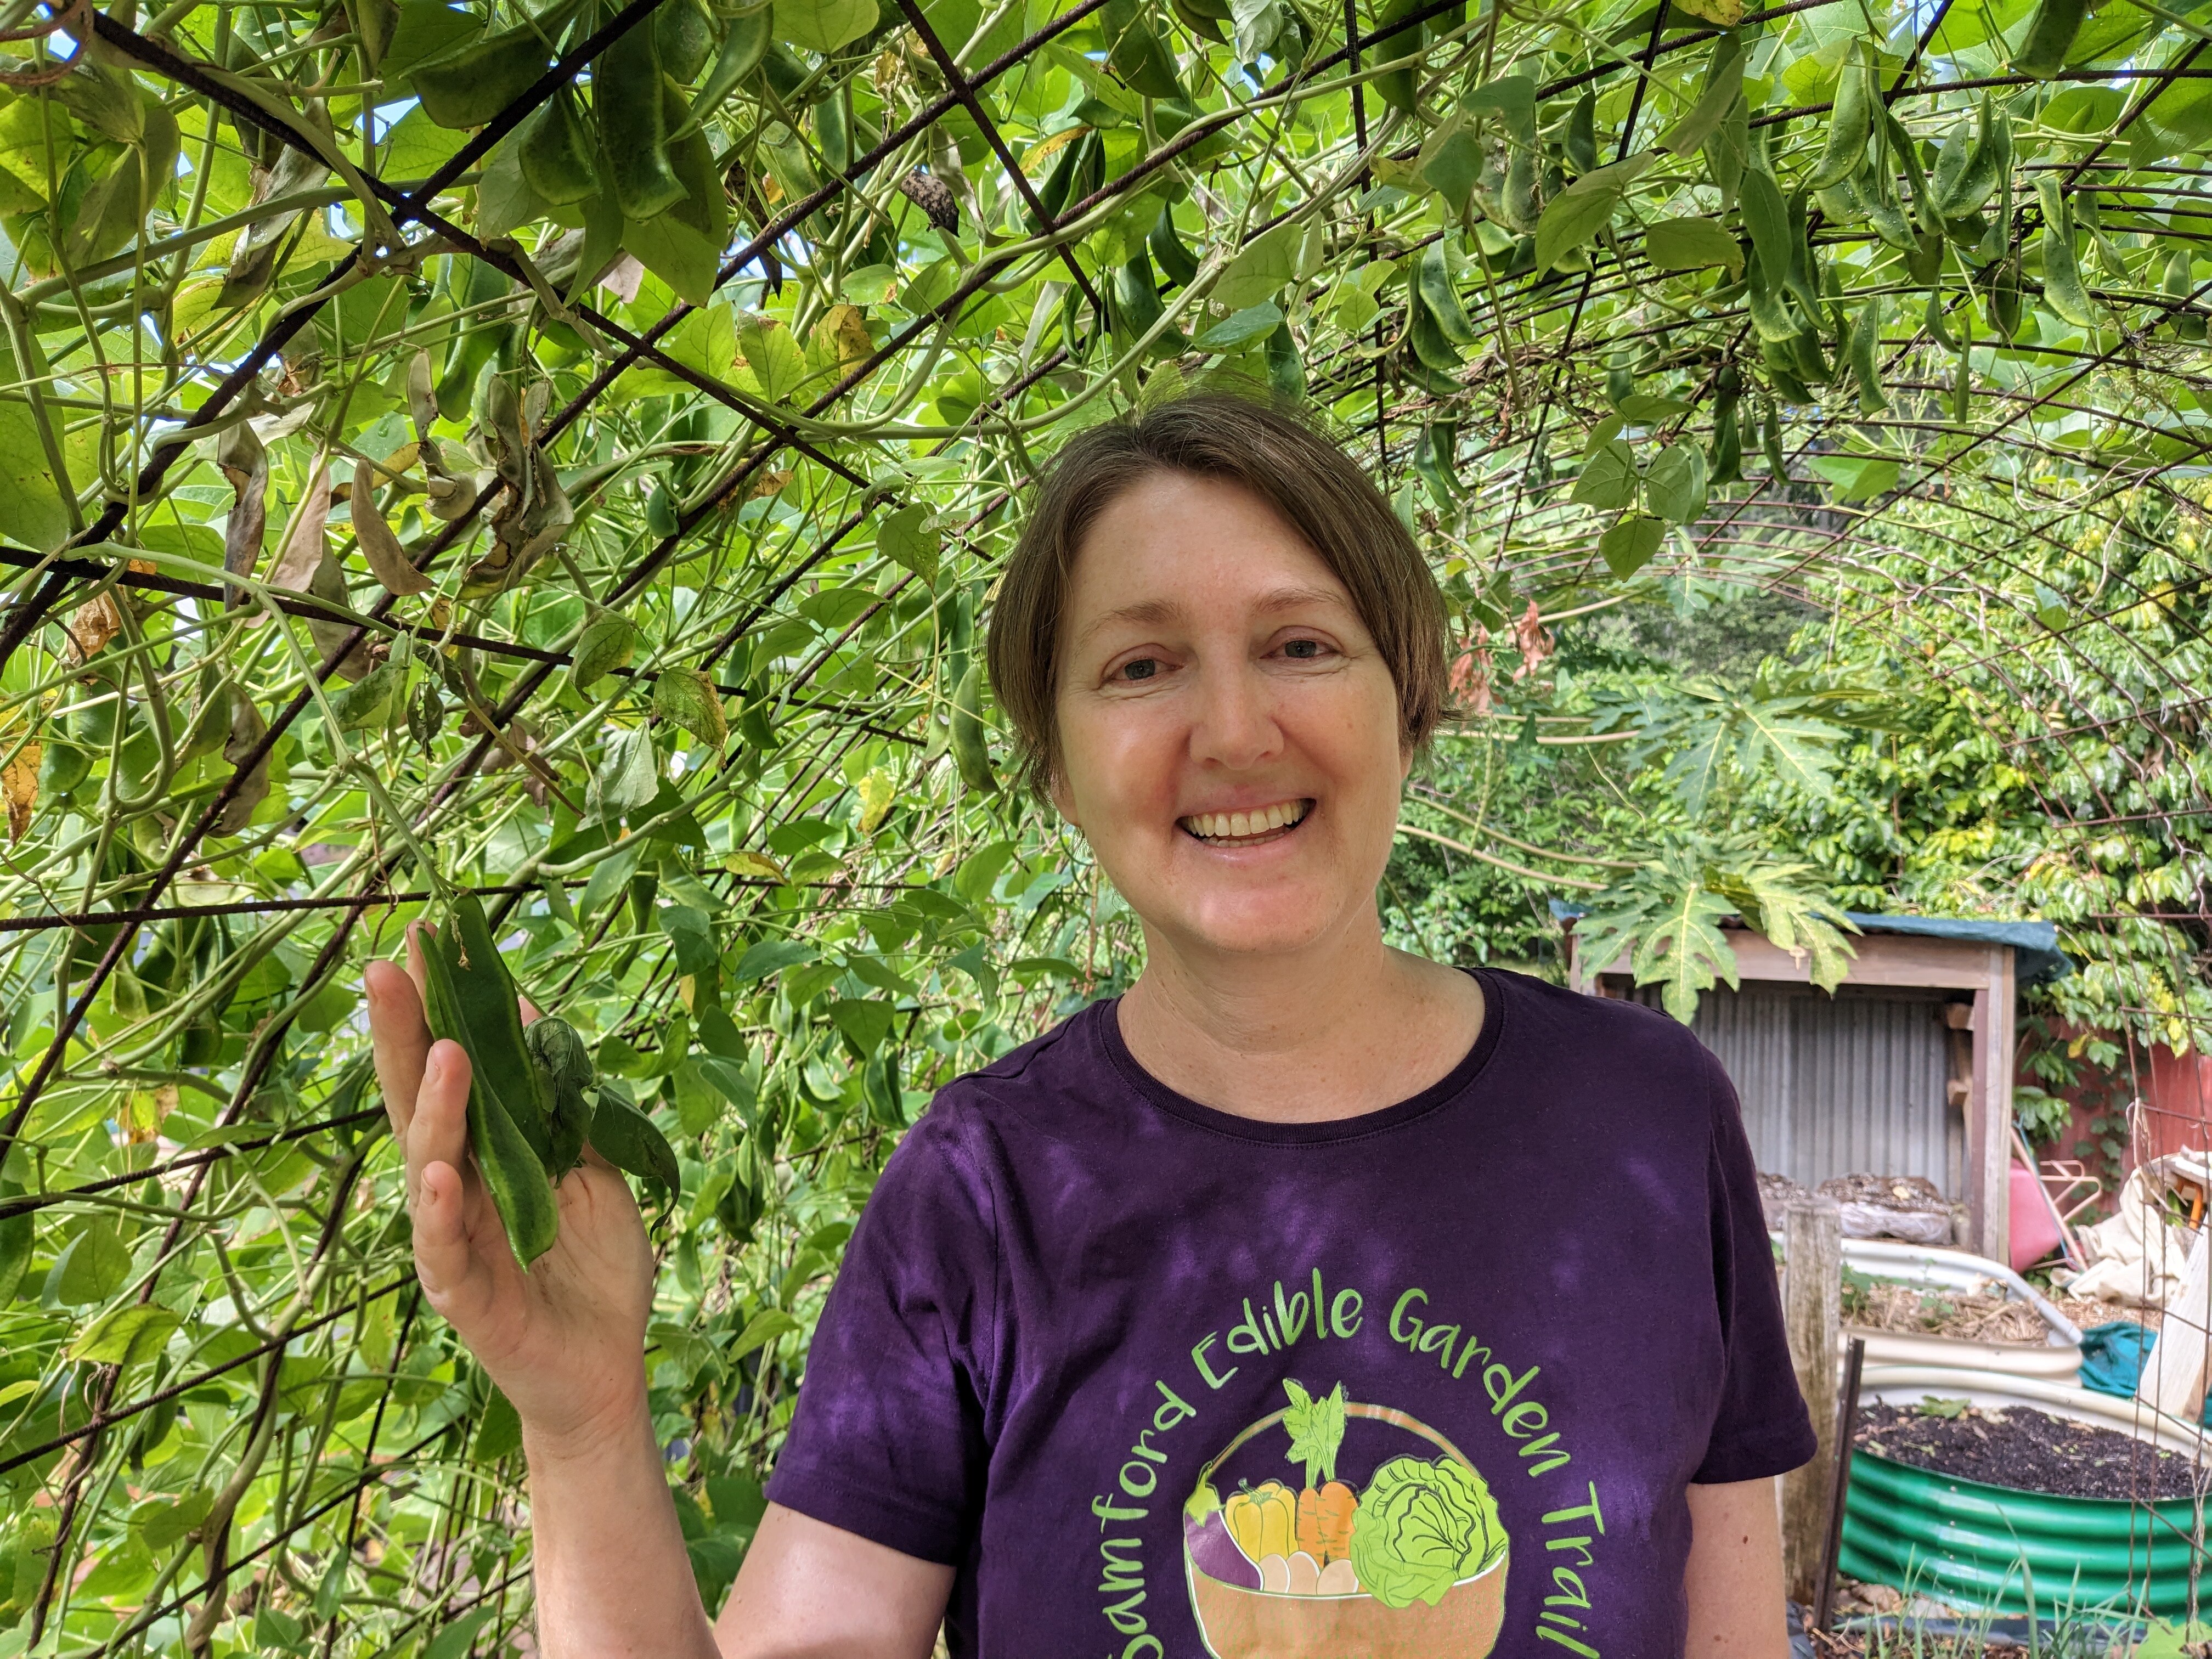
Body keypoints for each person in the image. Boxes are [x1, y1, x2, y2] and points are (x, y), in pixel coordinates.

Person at [368, 393, 1813, 1659]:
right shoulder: (985, 1195)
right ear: (1057, 766)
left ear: (1410, 696)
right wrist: (583, 1427)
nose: (1235, 732)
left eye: (1302, 644)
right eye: (1141, 667)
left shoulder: (1646, 1122)